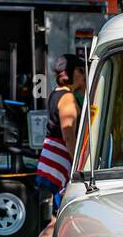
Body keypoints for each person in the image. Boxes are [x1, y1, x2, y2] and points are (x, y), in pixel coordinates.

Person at [36, 53, 86, 209]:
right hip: (60, 162)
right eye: (81, 71)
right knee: (57, 220)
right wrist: (80, 165)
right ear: (73, 72)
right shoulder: (67, 98)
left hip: (51, 160)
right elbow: (68, 135)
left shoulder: (56, 94)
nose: (84, 74)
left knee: (54, 220)